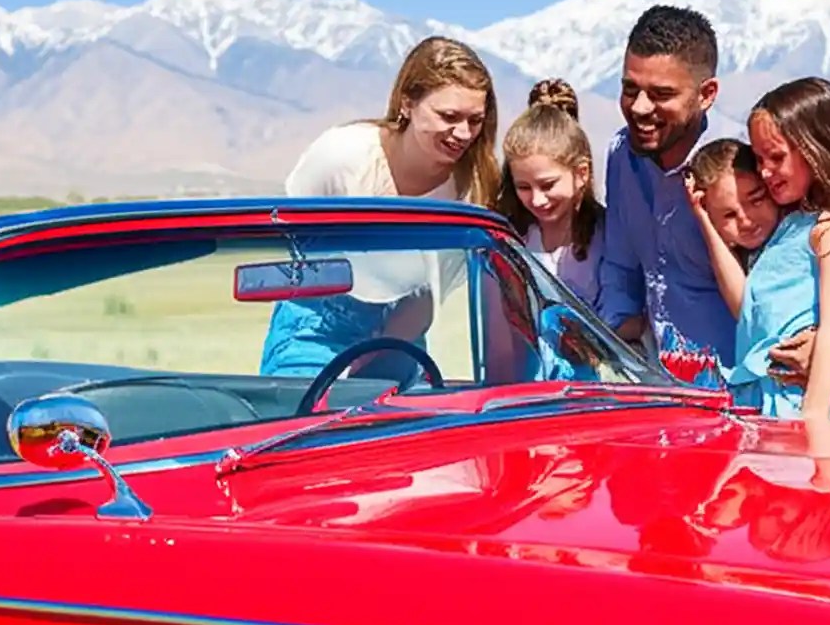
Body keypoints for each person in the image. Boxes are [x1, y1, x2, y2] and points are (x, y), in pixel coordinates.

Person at [596, 4, 830, 389]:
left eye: (661, 94)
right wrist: (610, 342)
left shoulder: (753, 163)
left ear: (707, 94)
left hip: (751, 395)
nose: (639, 107)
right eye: (629, 89)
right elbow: (620, 268)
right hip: (662, 392)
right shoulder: (622, 156)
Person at [259, 36, 500, 382]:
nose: (463, 133)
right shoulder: (341, 156)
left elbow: (427, 297)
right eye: (449, 116)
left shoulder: (472, 189)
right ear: (407, 103)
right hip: (313, 327)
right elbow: (291, 244)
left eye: (475, 121)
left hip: (400, 334)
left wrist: (376, 352)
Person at [711, 76, 830, 420]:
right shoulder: (788, 226)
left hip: (812, 408)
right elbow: (750, 309)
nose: (765, 172)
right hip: (773, 404)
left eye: (776, 157)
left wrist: (813, 414)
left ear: (819, 149)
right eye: (758, 159)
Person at [685, 139, 830, 385]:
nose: (746, 220)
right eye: (729, 215)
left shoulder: (817, 232)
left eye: (756, 200)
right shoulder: (746, 258)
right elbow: (746, 309)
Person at [496, 78, 605, 311]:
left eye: (548, 185)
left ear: (581, 173)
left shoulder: (608, 238)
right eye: (523, 187)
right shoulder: (510, 238)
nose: (537, 199)